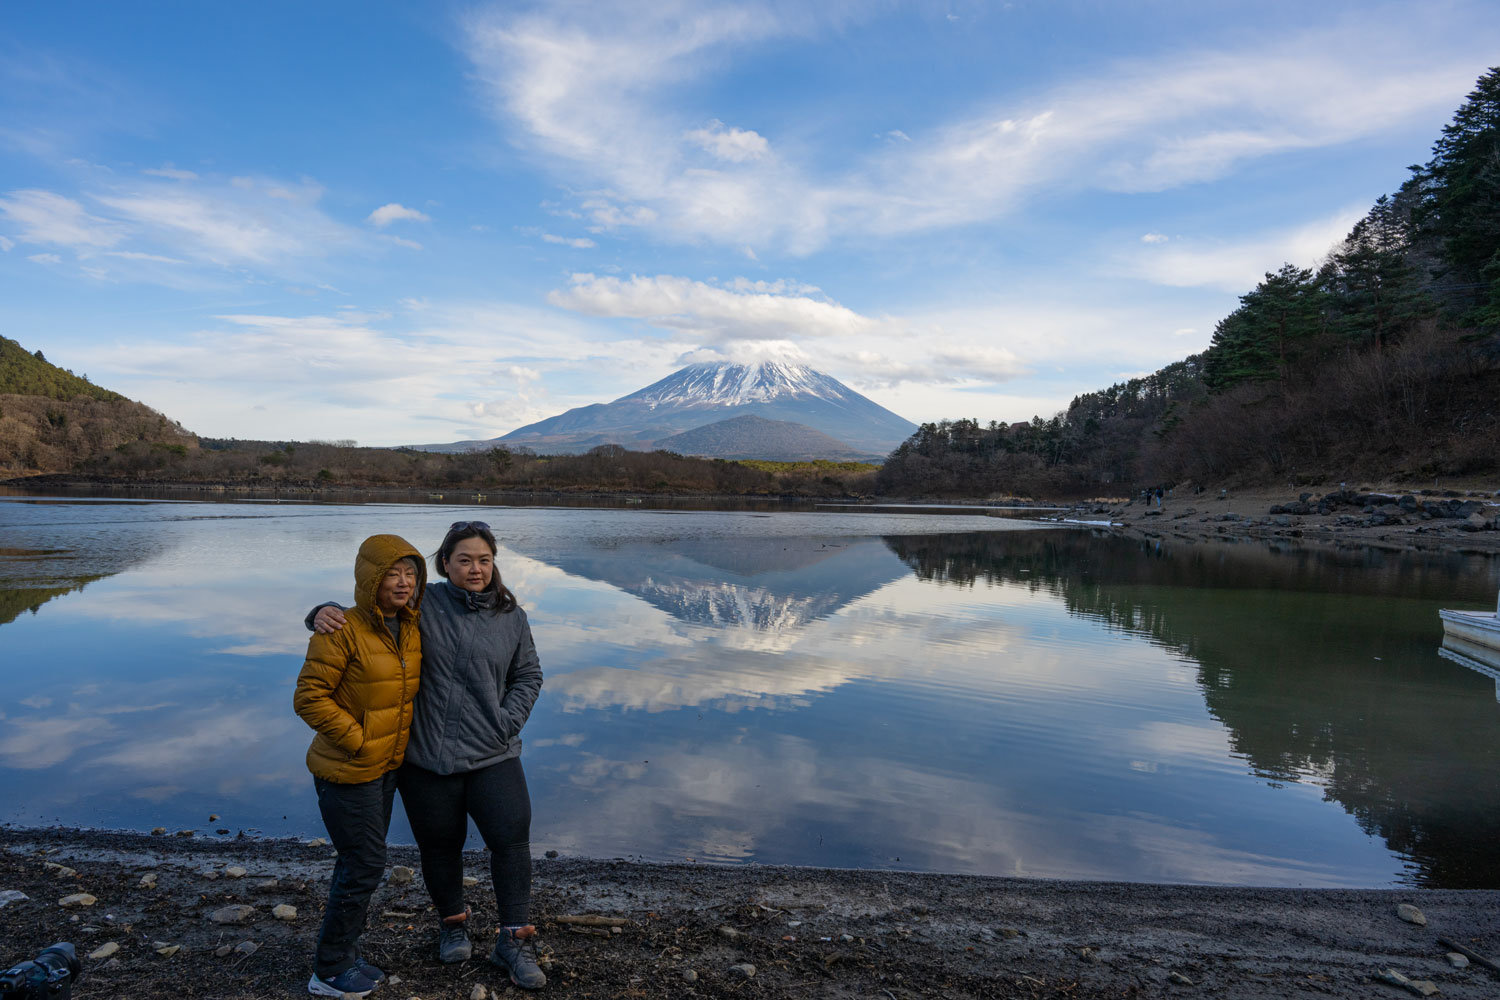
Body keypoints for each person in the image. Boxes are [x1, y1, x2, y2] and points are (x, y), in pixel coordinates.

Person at [309, 520, 546, 989]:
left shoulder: (511, 616)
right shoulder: (423, 604)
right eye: (464, 560)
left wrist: (507, 721)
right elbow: (372, 607)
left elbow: (528, 675)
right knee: (439, 845)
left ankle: (513, 939)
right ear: (444, 564)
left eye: (484, 560)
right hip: (427, 757)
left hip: (493, 752)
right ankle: (452, 925)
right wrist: (321, 611)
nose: (475, 569)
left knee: (511, 839)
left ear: (493, 564)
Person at [293, 534, 425, 998]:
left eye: (410, 573)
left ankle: (342, 956)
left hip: (386, 768)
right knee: (365, 864)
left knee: (358, 863)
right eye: (393, 573)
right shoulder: (341, 629)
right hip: (348, 770)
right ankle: (329, 971)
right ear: (371, 578)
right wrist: (359, 740)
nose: (403, 582)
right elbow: (309, 698)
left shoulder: (409, 625)